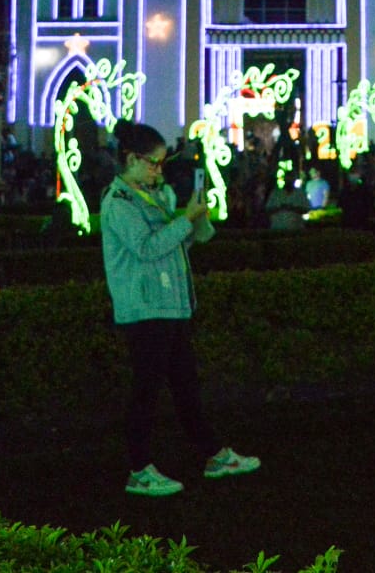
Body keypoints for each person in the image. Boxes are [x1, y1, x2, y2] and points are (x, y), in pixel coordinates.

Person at [102, 119, 260, 497]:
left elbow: (175, 244)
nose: (159, 169)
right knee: (148, 391)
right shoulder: (118, 203)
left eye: (161, 162)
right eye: (153, 162)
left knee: (185, 387)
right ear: (130, 159)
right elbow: (147, 248)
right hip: (145, 309)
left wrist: (196, 219)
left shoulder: (149, 197)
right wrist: (184, 222)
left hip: (168, 306)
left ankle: (213, 454)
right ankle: (140, 468)